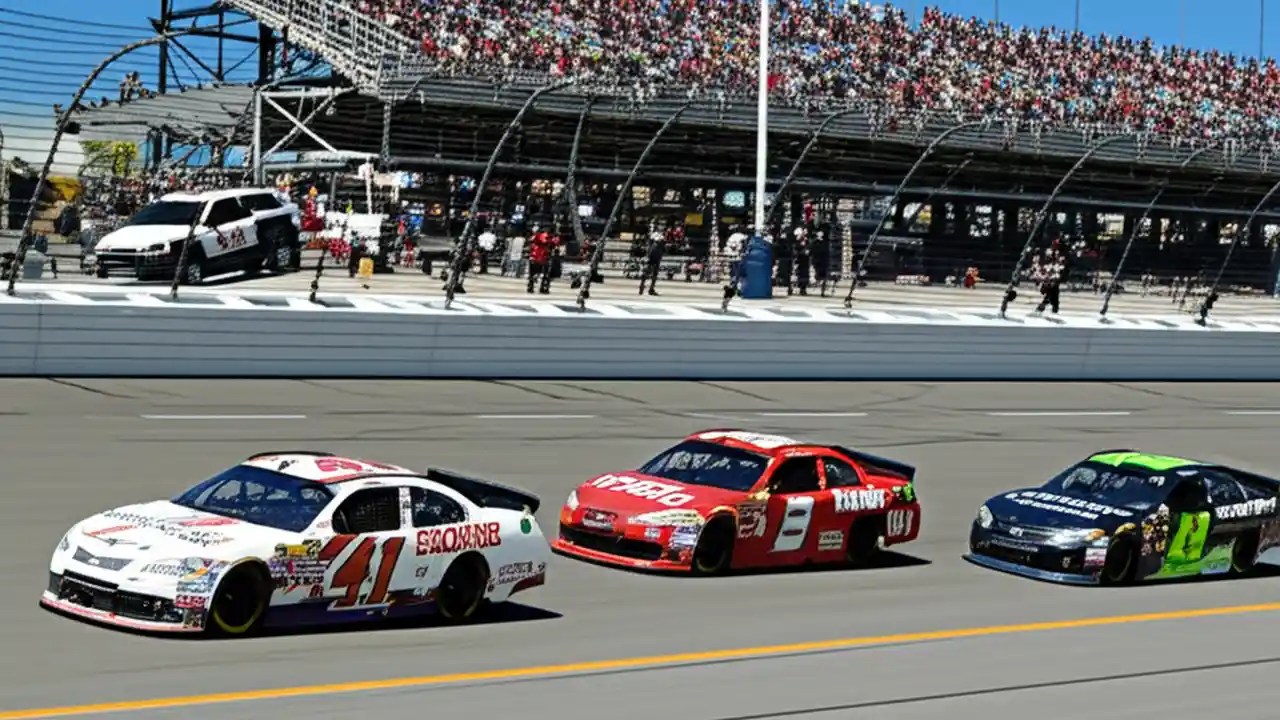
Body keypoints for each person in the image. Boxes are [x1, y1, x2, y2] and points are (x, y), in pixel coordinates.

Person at [526, 225, 557, 294]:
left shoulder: (536, 237)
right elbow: (551, 243)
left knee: (533, 273)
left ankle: (532, 286)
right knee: (545, 274)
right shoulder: (545, 237)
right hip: (541, 257)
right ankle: (542, 287)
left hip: (536, 256)